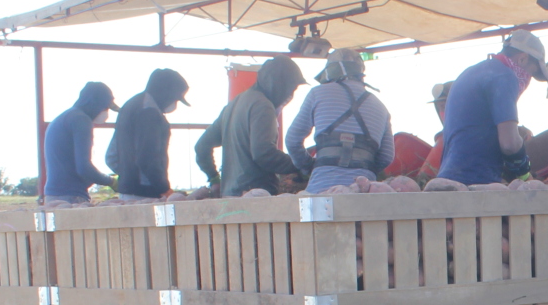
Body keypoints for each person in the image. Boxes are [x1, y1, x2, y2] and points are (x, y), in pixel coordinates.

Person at [437, 31, 548, 185]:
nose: (528, 79)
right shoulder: (504, 76)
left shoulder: (472, 72)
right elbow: (509, 144)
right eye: (532, 72)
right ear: (522, 59)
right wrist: (525, 174)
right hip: (475, 179)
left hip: (449, 175)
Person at [194, 56, 306, 196]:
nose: (291, 95)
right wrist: (300, 165)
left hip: (230, 197)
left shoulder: (234, 104)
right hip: (254, 197)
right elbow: (264, 154)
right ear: (279, 84)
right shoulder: (263, 106)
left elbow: (201, 146)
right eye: (291, 89)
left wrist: (214, 178)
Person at [286, 49, 394, 193]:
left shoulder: (318, 93)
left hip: (321, 190)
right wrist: (363, 169)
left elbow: (292, 140)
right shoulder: (380, 107)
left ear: (330, 71)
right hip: (364, 194)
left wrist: (309, 167)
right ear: (361, 73)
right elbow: (386, 156)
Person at [106, 68, 190, 198]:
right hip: (145, 193)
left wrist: (128, 175)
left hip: (128, 191)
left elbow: (111, 156)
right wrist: (163, 188)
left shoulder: (130, 105)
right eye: (175, 99)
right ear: (165, 93)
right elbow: (147, 157)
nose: (174, 104)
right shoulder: (149, 112)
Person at [41, 82, 118, 203]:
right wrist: (111, 181)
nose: (105, 112)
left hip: (54, 195)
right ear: (95, 103)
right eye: (105, 107)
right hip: (71, 196)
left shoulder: (65, 117)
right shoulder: (81, 120)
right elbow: (84, 167)